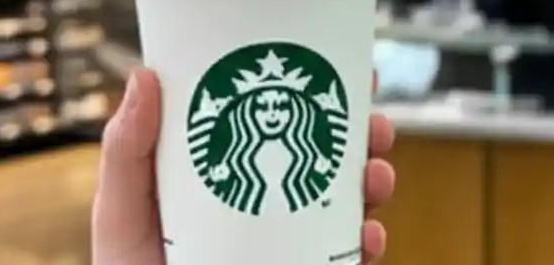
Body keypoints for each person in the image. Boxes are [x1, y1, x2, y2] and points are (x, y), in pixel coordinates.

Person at [92, 68, 396, 265]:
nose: (272, 114)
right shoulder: (236, 163)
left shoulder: (307, 160)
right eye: (262, 106)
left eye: (282, 105)